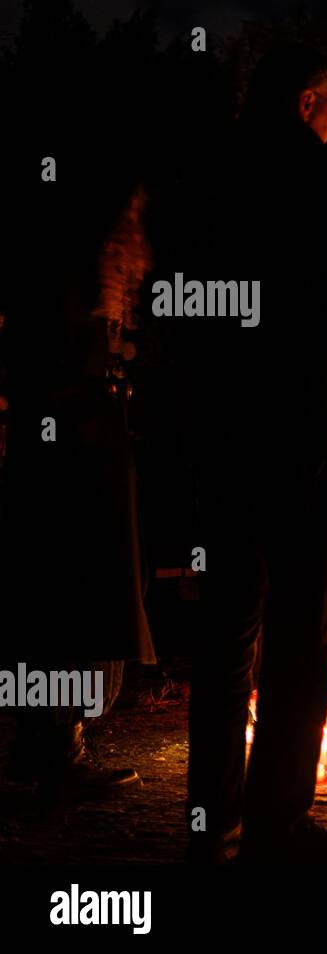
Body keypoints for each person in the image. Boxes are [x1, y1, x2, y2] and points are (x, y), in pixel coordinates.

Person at [172, 46, 327, 863]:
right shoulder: (322, 179)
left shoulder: (208, 182)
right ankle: (278, 821)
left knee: (229, 624)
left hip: (229, 431)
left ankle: (213, 817)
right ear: (307, 102)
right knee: (306, 629)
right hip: (311, 424)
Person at [0, 84, 156, 796]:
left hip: (80, 430)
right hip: (78, 438)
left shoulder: (83, 242)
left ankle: (52, 739)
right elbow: (86, 333)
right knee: (72, 591)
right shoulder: (86, 248)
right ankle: (52, 744)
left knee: (70, 592)